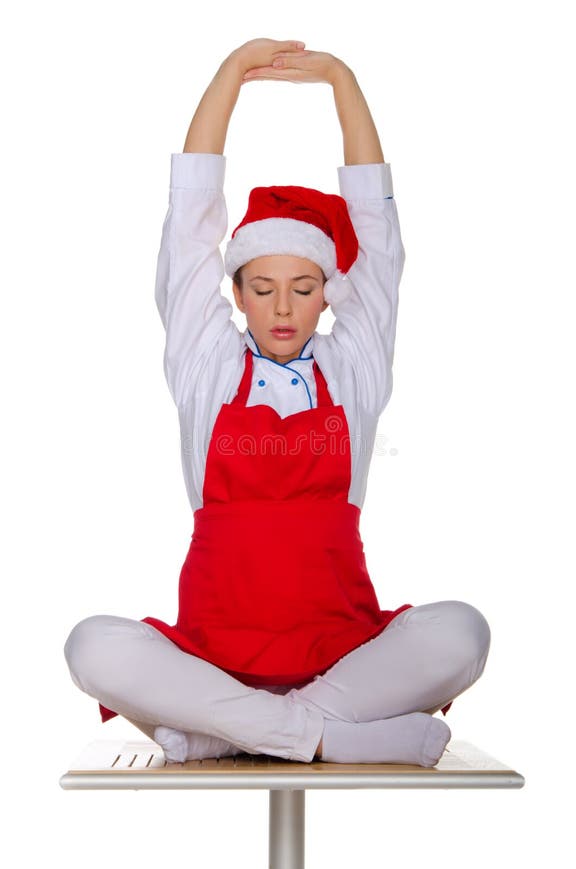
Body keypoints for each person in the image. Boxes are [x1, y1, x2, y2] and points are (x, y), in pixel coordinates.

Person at [64, 38, 491, 767]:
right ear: (235, 294)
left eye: (303, 288)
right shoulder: (206, 369)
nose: (283, 308)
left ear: (329, 292)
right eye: (261, 289)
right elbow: (190, 225)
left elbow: (380, 242)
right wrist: (228, 78)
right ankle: (320, 738)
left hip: (341, 654)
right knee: (89, 643)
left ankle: (228, 734)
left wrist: (343, 82)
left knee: (464, 630)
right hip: (213, 658)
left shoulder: (352, 371)